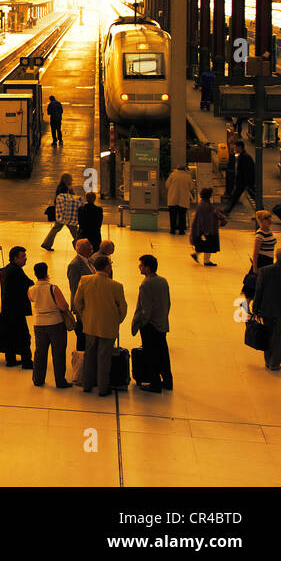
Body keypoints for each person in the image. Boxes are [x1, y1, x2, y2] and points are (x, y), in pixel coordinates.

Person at [72, 254, 128, 396]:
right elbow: (123, 309)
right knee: (104, 358)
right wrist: (116, 320)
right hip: (108, 327)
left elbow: (77, 303)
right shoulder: (116, 286)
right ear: (107, 267)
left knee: (89, 356)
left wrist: (85, 317)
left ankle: (87, 385)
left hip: (90, 325)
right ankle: (103, 388)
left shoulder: (85, 280)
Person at [130, 254, 171, 393]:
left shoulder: (146, 284)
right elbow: (168, 302)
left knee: (151, 355)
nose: (139, 267)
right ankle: (167, 381)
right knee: (163, 353)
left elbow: (146, 309)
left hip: (150, 326)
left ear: (147, 268)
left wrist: (142, 323)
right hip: (162, 323)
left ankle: (155, 383)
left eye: (141, 265)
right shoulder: (163, 281)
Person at [28, 262, 71, 388]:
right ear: (47, 273)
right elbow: (63, 306)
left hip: (39, 324)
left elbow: (32, 299)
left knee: (40, 353)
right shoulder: (53, 288)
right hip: (55, 323)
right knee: (58, 353)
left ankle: (38, 379)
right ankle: (60, 380)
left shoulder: (31, 290)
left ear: (35, 274)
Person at [254, 248, 281, 371]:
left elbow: (259, 291)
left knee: (268, 334)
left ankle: (267, 360)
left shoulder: (265, 271)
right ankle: (274, 363)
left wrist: (255, 307)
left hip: (266, 310)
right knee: (279, 337)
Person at [0, 246, 34, 369]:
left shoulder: (7, 269)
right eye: (23, 256)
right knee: (24, 336)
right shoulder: (16, 271)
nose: (25, 259)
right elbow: (29, 282)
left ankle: (11, 359)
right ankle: (27, 361)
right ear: (15, 258)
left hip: (7, 308)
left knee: (10, 335)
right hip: (16, 310)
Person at [41, 174, 80, 251]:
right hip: (66, 213)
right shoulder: (64, 188)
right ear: (67, 180)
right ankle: (80, 246)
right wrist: (71, 191)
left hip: (61, 213)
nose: (72, 180)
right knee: (74, 229)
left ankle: (47, 244)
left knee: (57, 228)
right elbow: (68, 199)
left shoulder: (61, 187)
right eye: (71, 179)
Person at [189, 186, 225, 266]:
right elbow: (207, 219)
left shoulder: (203, 203)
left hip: (201, 228)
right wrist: (207, 230)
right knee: (209, 245)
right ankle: (206, 261)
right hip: (207, 229)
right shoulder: (206, 205)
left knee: (205, 245)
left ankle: (197, 254)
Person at [225, 140, 257, 215]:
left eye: (235, 147)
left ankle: (227, 210)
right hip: (243, 182)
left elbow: (246, 171)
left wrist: (247, 182)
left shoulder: (244, 157)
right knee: (235, 197)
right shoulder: (243, 156)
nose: (234, 149)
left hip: (244, 182)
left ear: (240, 147)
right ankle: (227, 210)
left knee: (236, 197)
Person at [165, 165, 193, 236]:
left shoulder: (173, 175)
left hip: (173, 198)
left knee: (173, 215)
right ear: (184, 169)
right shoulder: (188, 176)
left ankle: (173, 230)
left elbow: (167, 185)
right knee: (182, 215)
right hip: (183, 199)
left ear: (177, 169)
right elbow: (191, 187)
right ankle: (181, 230)